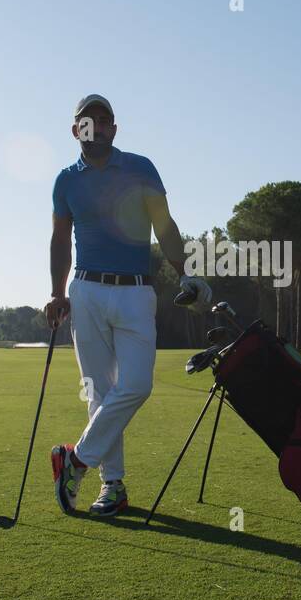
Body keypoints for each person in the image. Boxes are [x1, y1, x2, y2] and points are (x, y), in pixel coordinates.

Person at [45, 94, 211, 517]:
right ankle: (112, 487)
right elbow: (60, 240)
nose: (96, 127)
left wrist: (186, 271)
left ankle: (76, 460)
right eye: (87, 121)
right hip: (87, 291)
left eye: (104, 121)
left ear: (115, 130)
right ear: (75, 129)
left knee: (137, 385)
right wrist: (57, 291)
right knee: (99, 392)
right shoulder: (66, 181)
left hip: (137, 291)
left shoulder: (140, 167)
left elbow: (164, 225)